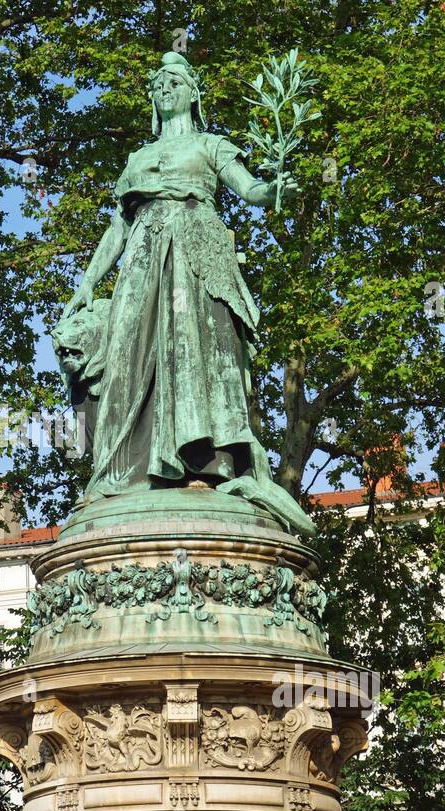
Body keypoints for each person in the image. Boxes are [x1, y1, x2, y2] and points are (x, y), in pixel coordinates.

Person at [54, 51, 315, 536]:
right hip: (143, 258)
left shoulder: (213, 145)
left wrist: (276, 188)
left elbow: (252, 189)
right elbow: (118, 227)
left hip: (196, 252)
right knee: (128, 357)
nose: (163, 89)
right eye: (156, 85)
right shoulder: (138, 158)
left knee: (194, 353)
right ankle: (121, 472)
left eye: (172, 81)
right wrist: (87, 282)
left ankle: (201, 465)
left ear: (192, 92)